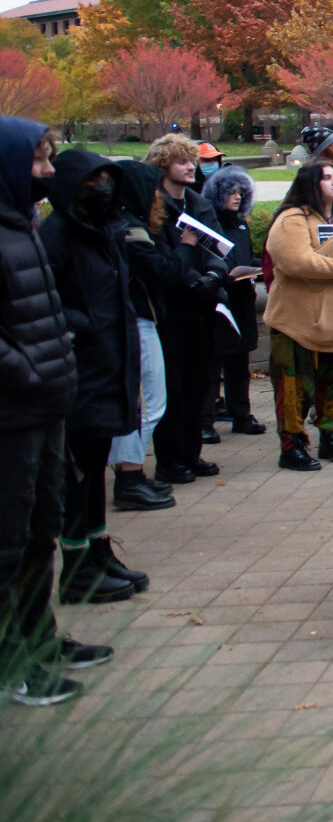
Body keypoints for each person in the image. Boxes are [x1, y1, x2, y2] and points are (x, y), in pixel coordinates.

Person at [0, 118, 109, 708]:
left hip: (45, 410)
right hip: (13, 415)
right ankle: (12, 664)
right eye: (39, 161)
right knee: (8, 544)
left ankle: (38, 638)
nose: (48, 172)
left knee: (41, 533)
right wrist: (32, 371)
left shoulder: (22, 225)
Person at [39, 151, 144, 607]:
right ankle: (77, 565)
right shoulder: (56, 236)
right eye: (91, 180)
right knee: (78, 472)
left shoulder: (105, 231)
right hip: (80, 367)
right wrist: (86, 325)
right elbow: (42, 302)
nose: (101, 187)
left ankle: (99, 550)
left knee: (96, 464)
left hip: (109, 364)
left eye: (105, 178)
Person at [264, 161, 333, 471]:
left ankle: (332, 438)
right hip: (299, 326)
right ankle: (292, 446)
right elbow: (297, 261)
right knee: (294, 391)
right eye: (326, 178)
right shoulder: (290, 220)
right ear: (309, 183)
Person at [145, 134, 228, 484]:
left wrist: (213, 276)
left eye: (191, 161)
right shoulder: (154, 207)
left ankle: (192, 453)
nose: (191, 167)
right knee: (172, 386)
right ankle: (170, 459)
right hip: (170, 309)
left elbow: (220, 249)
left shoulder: (199, 203)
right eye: (182, 162)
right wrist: (192, 278)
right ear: (163, 166)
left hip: (202, 306)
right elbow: (161, 260)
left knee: (198, 383)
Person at [107, 161, 177, 511]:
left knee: (146, 403)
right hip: (136, 319)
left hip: (138, 317)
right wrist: (182, 250)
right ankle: (129, 476)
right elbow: (160, 269)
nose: (158, 198)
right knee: (149, 402)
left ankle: (131, 472)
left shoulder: (126, 224)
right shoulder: (129, 228)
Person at [200, 165, 266, 440]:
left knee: (240, 363)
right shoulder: (209, 222)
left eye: (241, 192)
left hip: (242, 299)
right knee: (212, 365)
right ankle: (204, 420)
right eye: (231, 192)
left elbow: (245, 256)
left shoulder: (241, 224)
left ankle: (242, 415)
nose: (237, 197)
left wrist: (260, 267)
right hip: (219, 300)